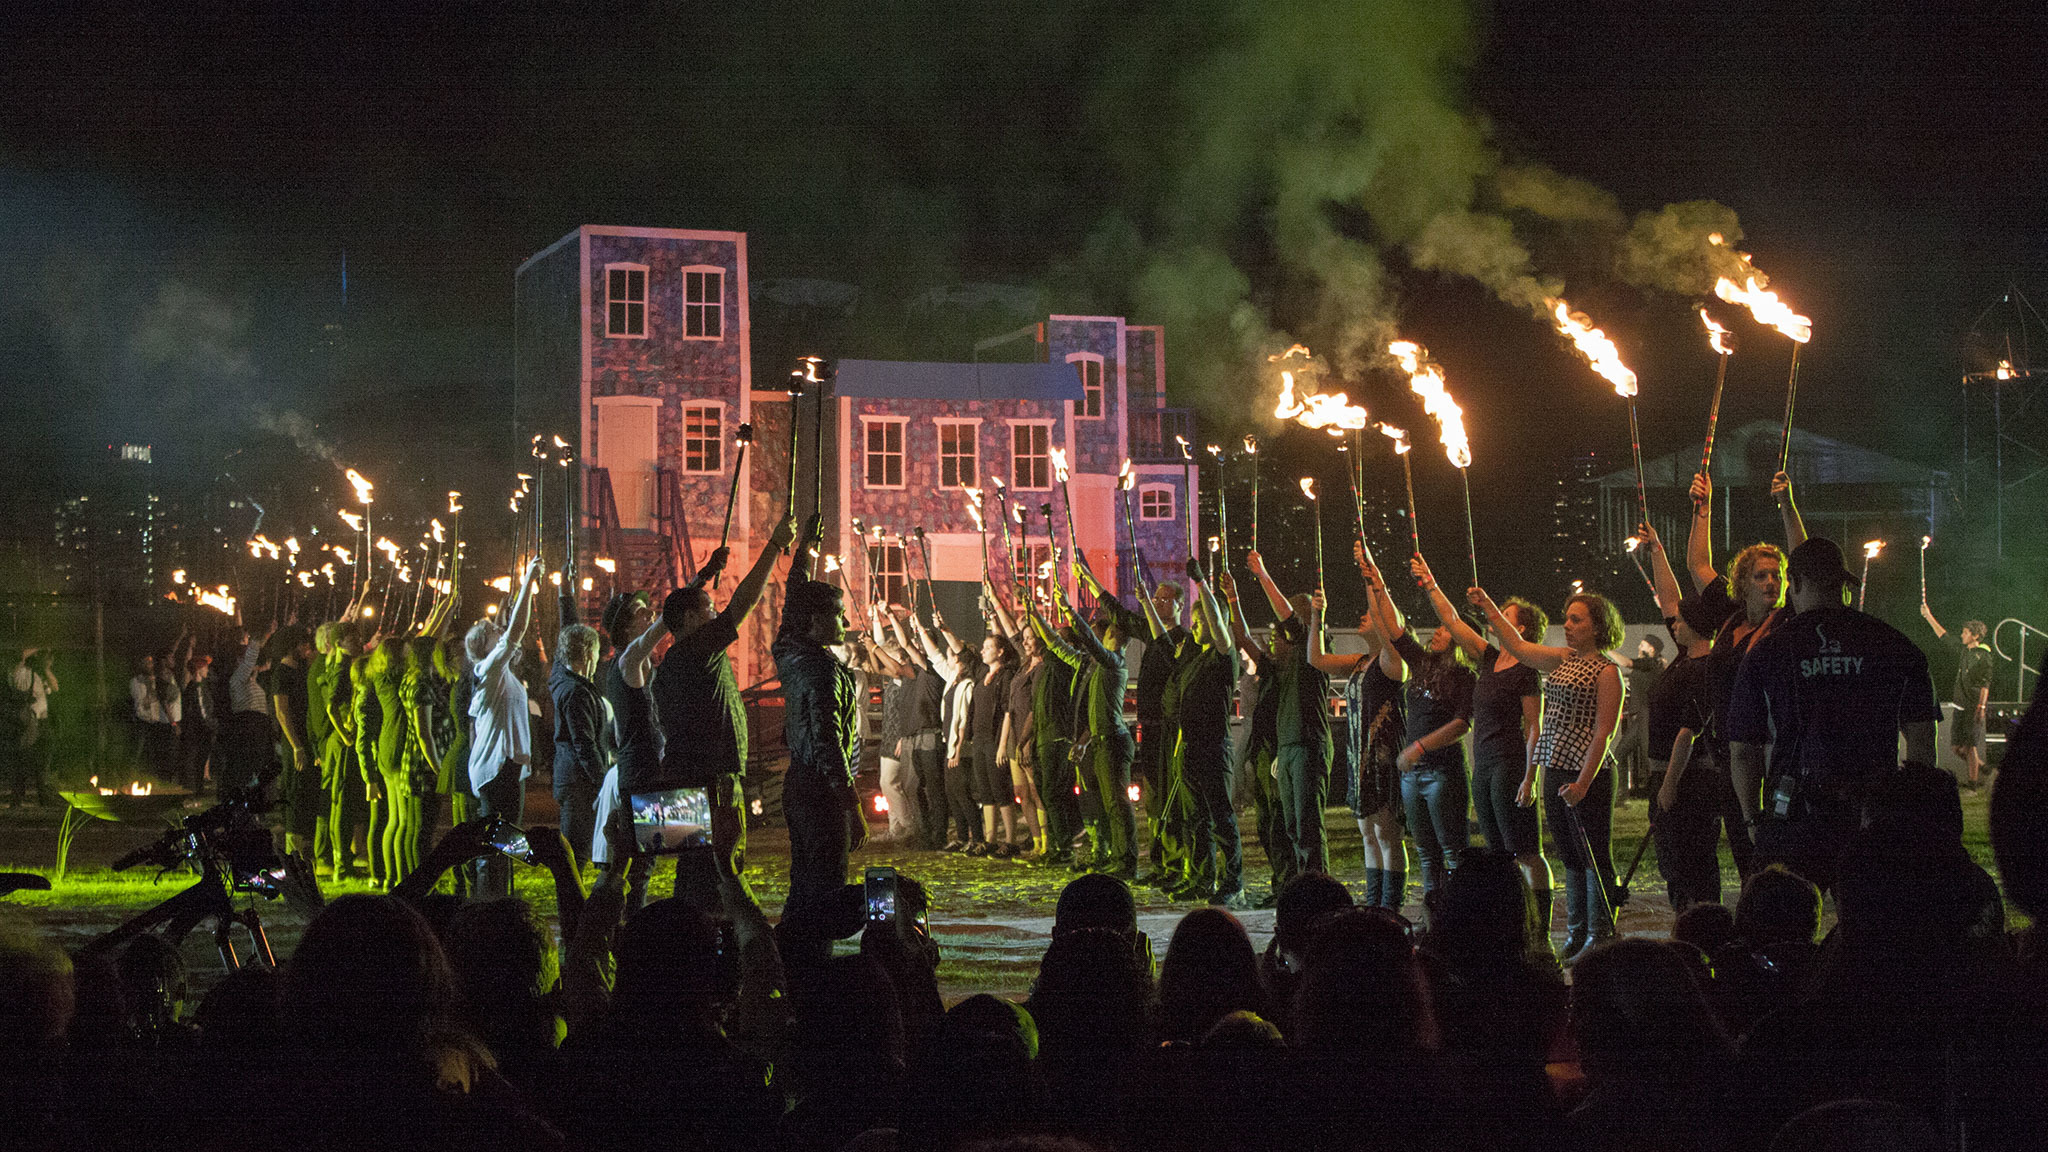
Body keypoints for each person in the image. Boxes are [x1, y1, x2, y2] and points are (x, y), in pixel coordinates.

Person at [1727, 537, 1941, 891]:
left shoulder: (1768, 653)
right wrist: (1910, 813)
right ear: (1844, 584)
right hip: (1872, 815)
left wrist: (1753, 819)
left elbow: (1742, 750)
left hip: (1793, 815)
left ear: (1793, 582)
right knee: (1872, 926)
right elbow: (1921, 740)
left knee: (1781, 927)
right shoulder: (1897, 647)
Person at [1472, 583, 1626, 962]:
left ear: (1598, 625)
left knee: (1594, 854)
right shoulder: (1562, 659)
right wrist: (1489, 605)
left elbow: (1605, 731)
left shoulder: (1607, 671)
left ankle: (1600, 936)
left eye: (1577, 619)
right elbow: (1519, 646)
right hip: (1556, 766)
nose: (1568, 625)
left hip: (1587, 773)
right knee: (1570, 856)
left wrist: (1584, 783)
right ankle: (1576, 935)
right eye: (1567, 618)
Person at [645, 513, 795, 874]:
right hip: (712, 778)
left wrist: (703, 577)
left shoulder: (673, 662)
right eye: (708, 611)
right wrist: (774, 546)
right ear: (691, 622)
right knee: (720, 868)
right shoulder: (696, 650)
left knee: (694, 868)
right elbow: (743, 604)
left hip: (692, 774)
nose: (715, 616)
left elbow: (684, 603)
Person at [1412, 550, 1550, 931]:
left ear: (1523, 630)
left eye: (1505, 616)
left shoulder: (1527, 669)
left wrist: (1530, 776)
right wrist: (1430, 583)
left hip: (1510, 765)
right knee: (1498, 853)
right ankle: (1513, 925)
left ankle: (1539, 928)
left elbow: (1534, 726)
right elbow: (1453, 621)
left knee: (1525, 852)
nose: (1495, 620)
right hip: (1485, 765)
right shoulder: (1489, 659)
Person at [1684, 468, 1805, 879]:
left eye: (1778, 575)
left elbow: (1804, 559)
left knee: (1774, 859)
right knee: (1744, 857)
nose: (1772, 582)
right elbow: (1698, 564)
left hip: (1772, 756)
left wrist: (1786, 505)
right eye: (1762, 576)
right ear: (1743, 582)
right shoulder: (1729, 617)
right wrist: (1705, 507)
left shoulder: (1788, 621)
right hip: (1728, 756)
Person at [1634, 525, 1731, 912]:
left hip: (1690, 779)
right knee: (1674, 865)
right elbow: (1669, 601)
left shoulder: (1705, 665)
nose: (1673, 624)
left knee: (1693, 863)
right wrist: (1657, 549)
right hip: (1670, 774)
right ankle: (1685, 922)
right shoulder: (1684, 656)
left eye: (1680, 621)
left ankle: (1701, 929)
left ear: (1695, 624)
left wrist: (1669, 784)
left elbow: (1689, 731)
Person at [774, 513, 865, 921]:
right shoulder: (821, 671)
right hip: (821, 793)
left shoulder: (791, 652)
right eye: (838, 614)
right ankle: (812, 968)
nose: (845, 623)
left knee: (803, 882)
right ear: (814, 623)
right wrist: (851, 804)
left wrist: (805, 550)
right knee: (826, 888)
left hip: (798, 786)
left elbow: (794, 599)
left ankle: (796, 953)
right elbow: (828, 742)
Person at [1078, 557, 1186, 884]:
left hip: (1170, 726)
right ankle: (1160, 863)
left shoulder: (1180, 638)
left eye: (1164, 600)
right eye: (1156, 600)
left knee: (1169, 796)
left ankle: (1176, 863)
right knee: (1152, 798)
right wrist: (1092, 581)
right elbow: (1120, 613)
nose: (1157, 604)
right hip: (1149, 726)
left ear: (1179, 605)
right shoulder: (1150, 633)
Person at [1374, 554, 1475, 903]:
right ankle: (1434, 920)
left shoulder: (1464, 676)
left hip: (1442, 774)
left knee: (1452, 854)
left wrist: (1419, 747)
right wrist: (1378, 582)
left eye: (1446, 629)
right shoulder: (1420, 664)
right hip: (1412, 775)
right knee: (1426, 854)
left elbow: (1461, 724)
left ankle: (1456, 920)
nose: (1438, 631)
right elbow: (1395, 629)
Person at [1029, 569, 1137, 878]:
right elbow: (1059, 648)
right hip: (1097, 741)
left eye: (1103, 633)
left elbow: (1088, 642)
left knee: (1117, 805)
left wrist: (1069, 610)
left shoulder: (1114, 663)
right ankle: (1111, 855)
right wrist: (1037, 615)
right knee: (1102, 804)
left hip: (1112, 740)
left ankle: (1126, 860)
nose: (1097, 635)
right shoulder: (1093, 663)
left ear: (1114, 637)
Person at [1243, 550, 1334, 880]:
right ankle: (1299, 887)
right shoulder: (1285, 665)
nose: (1283, 627)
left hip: (1308, 747)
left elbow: (1289, 620)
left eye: (1294, 617)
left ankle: (1318, 890)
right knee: (1293, 827)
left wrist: (1264, 574)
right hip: (1289, 748)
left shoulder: (1317, 651)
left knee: (1308, 828)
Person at [1160, 557, 1247, 905]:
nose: (1194, 626)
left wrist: (1202, 584)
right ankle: (1201, 877)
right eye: (1193, 621)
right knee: (1195, 819)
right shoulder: (1195, 658)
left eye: (1200, 621)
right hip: (1191, 750)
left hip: (1214, 748)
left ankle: (1233, 882)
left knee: (1220, 819)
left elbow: (1221, 632)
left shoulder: (1223, 659)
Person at [467, 556, 545, 897]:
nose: (501, 633)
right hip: (496, 769)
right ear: (485, 647)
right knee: (495, 842)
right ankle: (489, 904)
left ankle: (501, 900)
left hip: (510, 766)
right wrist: (528, 581)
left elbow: (510, 628)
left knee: (508, 837)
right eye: (495, 633)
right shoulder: (489, 670)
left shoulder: (503, 674)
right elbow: (515, 631)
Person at [548, 623, 610, 873]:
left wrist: (565, 592)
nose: (598, 658)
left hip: (570, 779)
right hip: (578, 784)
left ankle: (574, 904)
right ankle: (572, 907)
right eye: (596, 652)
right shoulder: (577, 692)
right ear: (586, 653)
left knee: (575, 854)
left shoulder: (562, 679)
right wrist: (603, 783)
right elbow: (584, 744)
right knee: (576, 854)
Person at [1920, 605, 1994, 788]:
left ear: (1975, 636)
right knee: (1957, 748)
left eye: (1965, 632)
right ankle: (1983, 768)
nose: (1962, 635)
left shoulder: (1983, 656)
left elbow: (1985, 685)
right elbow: (1944, 637)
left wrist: (1981, 707)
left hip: (1972, 706)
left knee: (1970, 748)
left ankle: (1972, 784)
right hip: (1959, 705)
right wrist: (1928, 616)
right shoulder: (1964, 652)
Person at [1614, 634, 1666, 797]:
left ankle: (1660, 793)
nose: (1639, 647)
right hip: (1640, 718)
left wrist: (1605, 649)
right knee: (1620, 754)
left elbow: (1626, 663)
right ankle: (1622, 793)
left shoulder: (1651, 662)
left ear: (1652, 649)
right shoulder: (1650, 664)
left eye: (1642, 645)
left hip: (1647, 716)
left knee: (1647, 756)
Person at [8, 647, 57, 807]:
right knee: (24, 758)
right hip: (29, 722)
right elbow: (19, 655)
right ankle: (18, 797)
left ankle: (39, 796)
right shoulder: (18, 672)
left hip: (40, 722)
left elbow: (54, 687)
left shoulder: (37, 675)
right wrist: (39, 646)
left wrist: (46, 668)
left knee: (41, 761)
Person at [177, 653, 217, 797]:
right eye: (205, 667)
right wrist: (211, 726)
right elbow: (202, 711)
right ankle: (193, 790)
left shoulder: (200, 686)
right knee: (197, 760)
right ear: (199, 669)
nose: (207, 670)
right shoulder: (197, 688)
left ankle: (196, 789)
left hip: (197, 729)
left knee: (198, 760)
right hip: (199, 730)